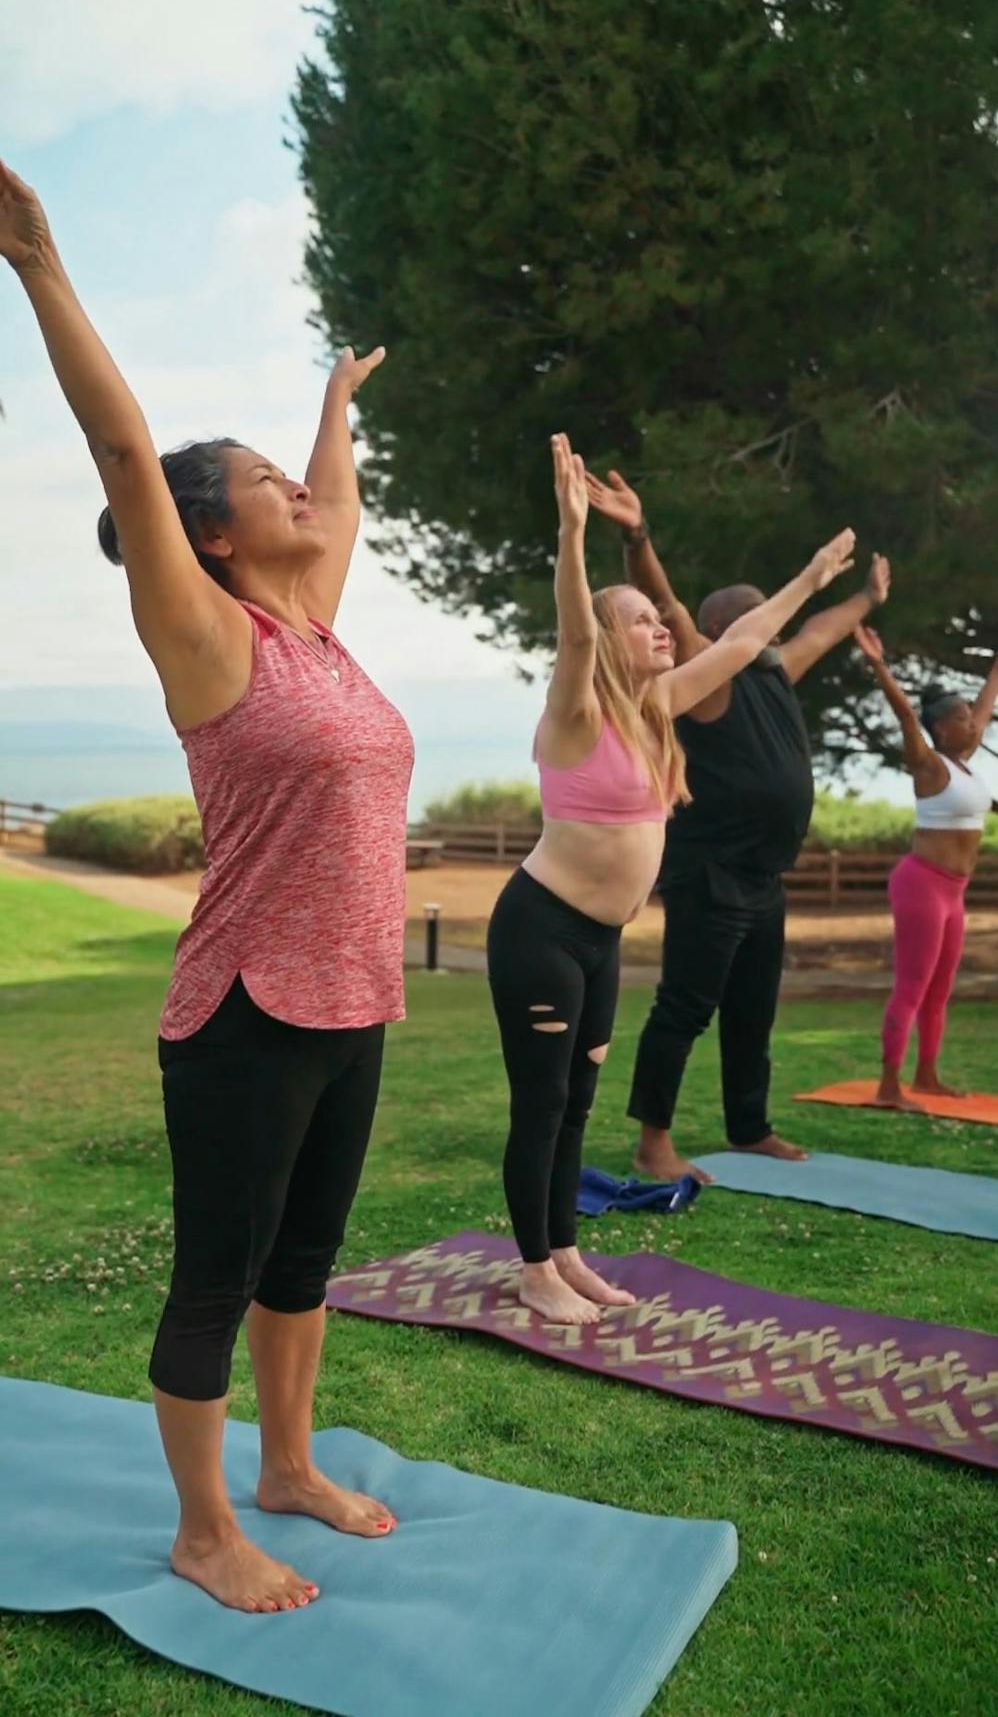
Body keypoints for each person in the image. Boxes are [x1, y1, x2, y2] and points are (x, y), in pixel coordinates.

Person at [0, 160, 414, 1614]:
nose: (296, 489)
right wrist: (39, 266)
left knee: (304, 1263)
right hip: (246, 1007)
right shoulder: (207, 634)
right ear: (213, 536)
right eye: (260, 481)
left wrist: (332, 402)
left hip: (355, 996)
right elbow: (126, 452)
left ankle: (288, 1467)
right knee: (215, 1276)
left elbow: (335, 501)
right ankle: (203, 1528)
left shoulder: (319, 629)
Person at [486, 433, 856, 1325]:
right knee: (542, 1104)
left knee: (577, 1106)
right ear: (609, 640)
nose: (661, 624)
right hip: (541, 930)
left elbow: (747, 639)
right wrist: (572, 532)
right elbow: (576, 630)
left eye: (661, 617)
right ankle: (532, 1270)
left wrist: (812, 578)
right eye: (642, 619)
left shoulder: (658, 706)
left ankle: (565, 1254)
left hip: (599, 940)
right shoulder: (577, 712)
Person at [583, 466, 891, 1182]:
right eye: (758, 617)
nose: (773, 627)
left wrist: (867, 598)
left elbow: (820, 628)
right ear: (722, 632)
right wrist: (638, 535)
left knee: (753, 1011)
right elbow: (667, 603)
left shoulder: (775, 672)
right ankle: (653, 1143)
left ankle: (749, 1128)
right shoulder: (706, 677)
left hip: (763, 880)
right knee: (686, 1008)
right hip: (711, 874)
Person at [854, 626, 998, 1105]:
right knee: (912, 987)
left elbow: (986, 703)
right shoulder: (929, 765)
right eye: (962, 718)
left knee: (939, 991)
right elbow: (905, 716)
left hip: (954, 892)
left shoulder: (965, 765)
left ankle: (927, 1076)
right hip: (922, 885)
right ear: (941, 730)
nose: (973, 723)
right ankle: (888, 1085)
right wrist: (879, 665)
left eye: (971, 717)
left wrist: (996, 670)